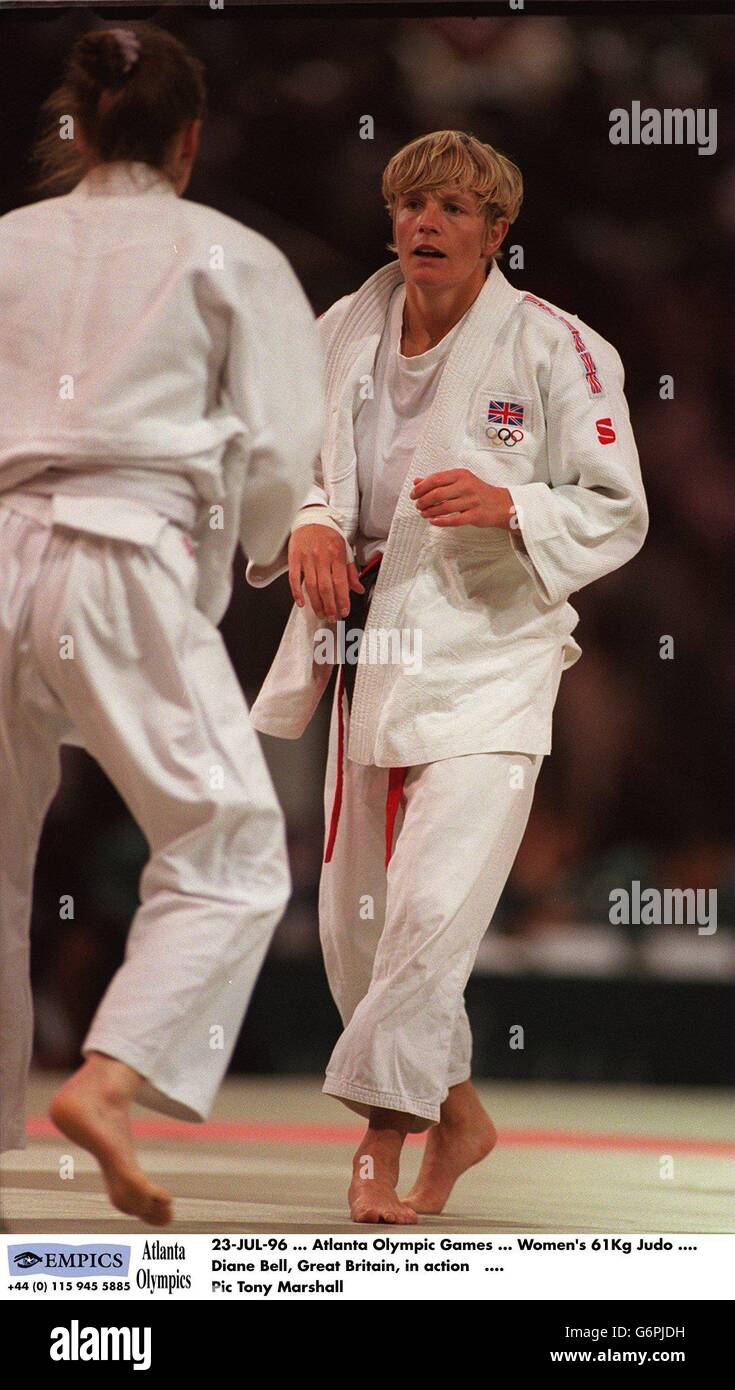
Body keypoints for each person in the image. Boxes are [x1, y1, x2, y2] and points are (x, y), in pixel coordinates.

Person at [247, 130, 648, 1224]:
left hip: (490, 664)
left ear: (497, 234)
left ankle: (386, 1138)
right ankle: (460, 1112)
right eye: (412, 204)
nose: (427, 223)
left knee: (427, 912)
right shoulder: (339, 332)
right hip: (370, 659)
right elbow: (274, 464)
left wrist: (515, 502)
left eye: (456, 209)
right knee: (356, 938)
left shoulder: (560, 348)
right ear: (390, 218)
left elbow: (619, 506)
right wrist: (316, 517)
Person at [0, 22, 324, 1225]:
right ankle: (111, 1073)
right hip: (121, 553)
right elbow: (285, 448)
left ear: (76, 126)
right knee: (231, 845)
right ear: (191, 139)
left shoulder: (8, 244)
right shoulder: (228, 252)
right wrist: (253, 550)